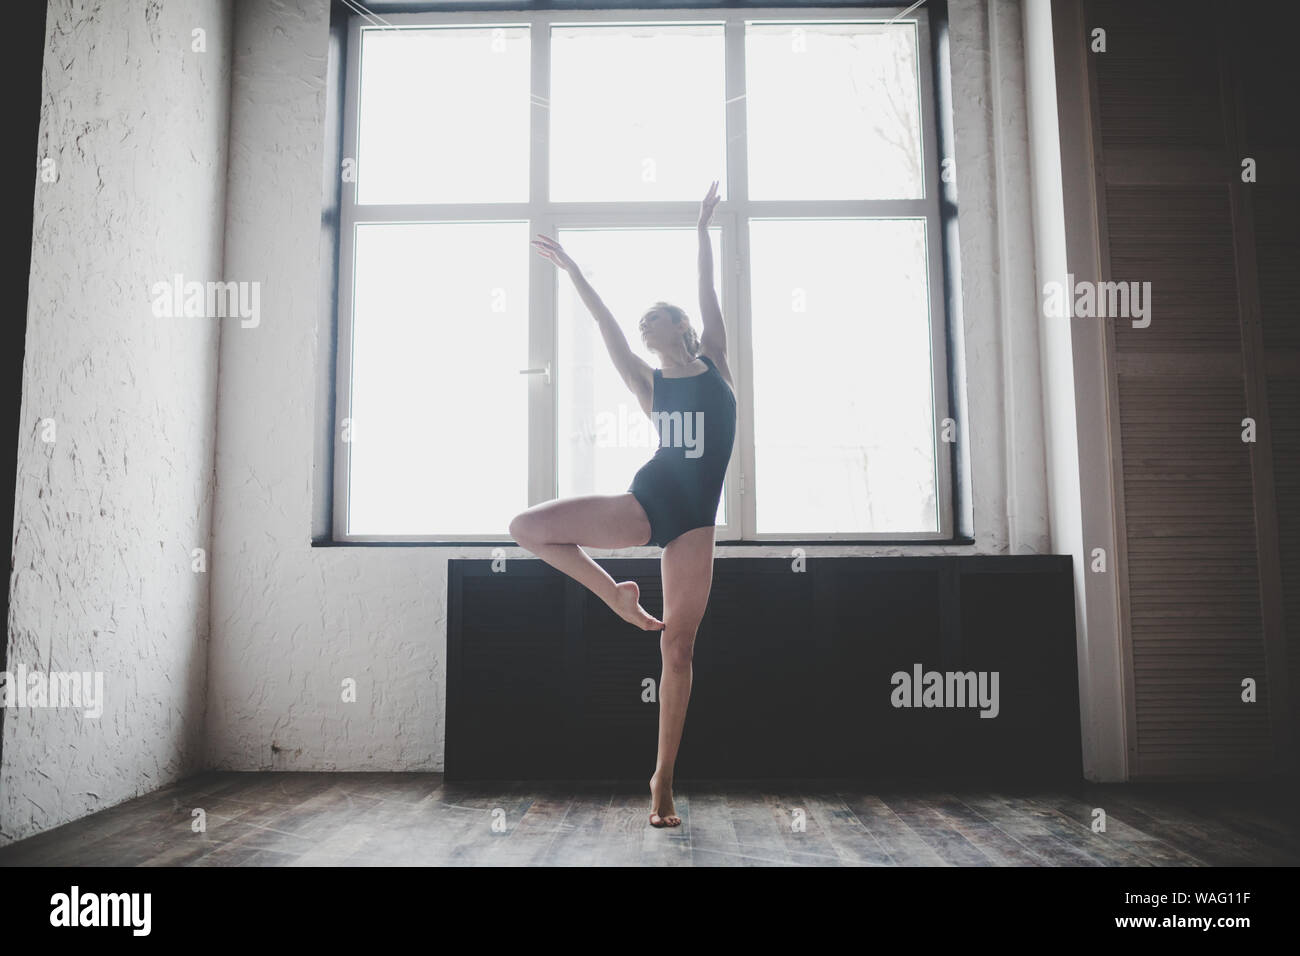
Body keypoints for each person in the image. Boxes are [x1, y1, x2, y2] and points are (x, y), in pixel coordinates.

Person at [510, 181, 736, 828]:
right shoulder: (648, 382)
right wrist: (577, 272)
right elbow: (605, 324)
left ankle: (662, 780)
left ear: (683, 329)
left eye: (656, 319)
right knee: (528, 526)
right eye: (645, 324)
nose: (645, 325)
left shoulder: (715, 360)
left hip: (694, 520)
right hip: (649, 497)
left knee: (678, 651)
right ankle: (613, 596)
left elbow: (707, 292)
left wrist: (701, 228)